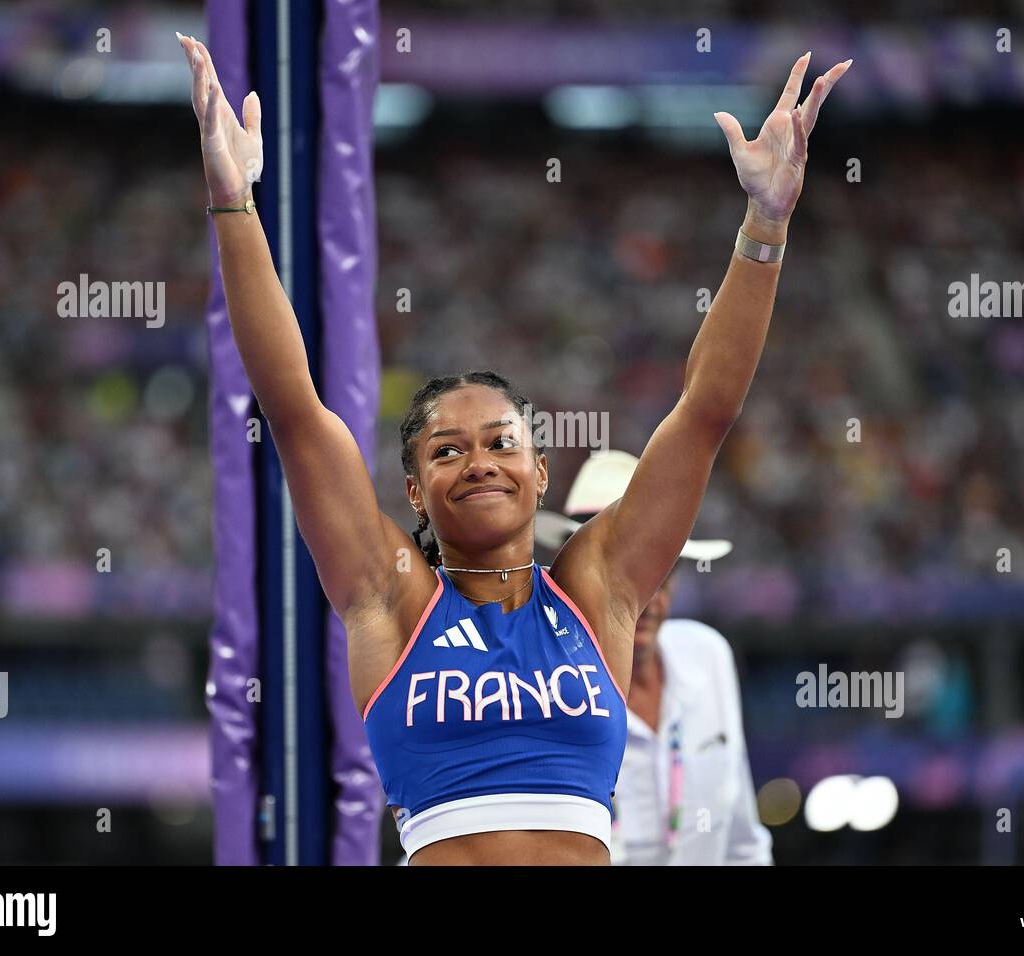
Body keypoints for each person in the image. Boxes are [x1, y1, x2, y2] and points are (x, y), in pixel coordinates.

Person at [178, 33, 849, 865]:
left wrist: (766, 225)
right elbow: (293, 408)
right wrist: (233, 205)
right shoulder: (389, 600)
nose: (480, 461)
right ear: (416, 493)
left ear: (541, 472)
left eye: (501, 442)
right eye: (447, 451)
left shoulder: (601, 588)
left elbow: (704, 413)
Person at [536, 451, 772, 865]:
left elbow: (741, 838)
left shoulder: (706, 655)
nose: (647, 599)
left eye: (662, 573)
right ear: (572, 575)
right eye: (624, 576)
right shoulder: (535, 686)